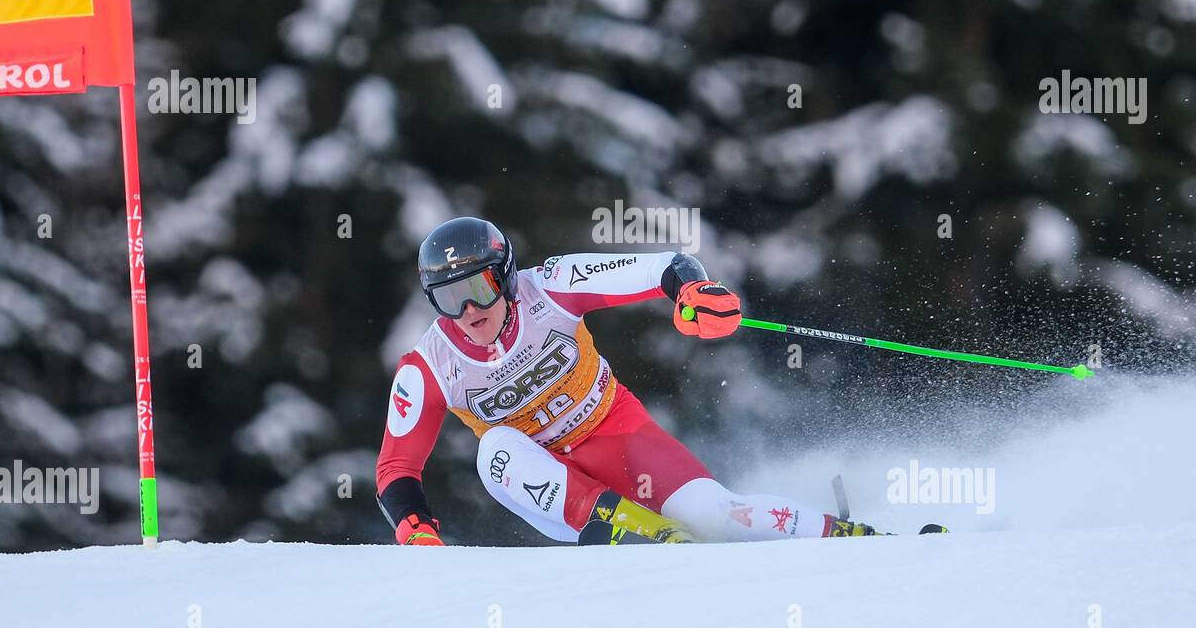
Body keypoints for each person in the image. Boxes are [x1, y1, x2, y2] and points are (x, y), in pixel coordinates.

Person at [375, 216, 929, 546]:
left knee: (716, 517)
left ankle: (859, 541)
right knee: (493, 448)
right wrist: (415, 529)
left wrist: (691, 293)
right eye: (449, 299)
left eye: (479, 288)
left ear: (506, 276)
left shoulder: (551, 286)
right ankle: (631, 532)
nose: (469, 310)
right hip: (551, 485)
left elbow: (663, 265)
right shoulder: (428, 366)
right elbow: (396, 469)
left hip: (618, 435)